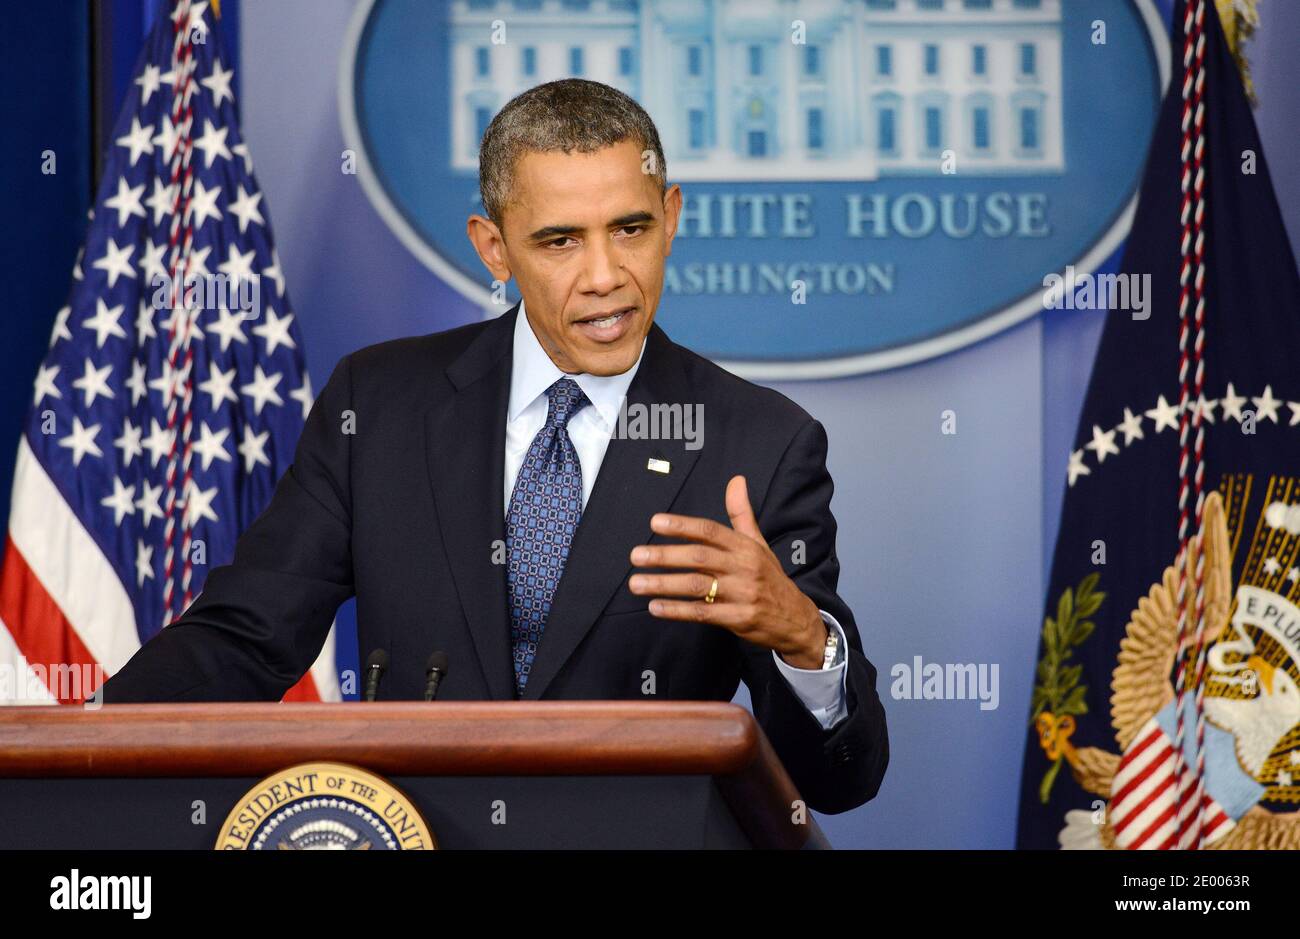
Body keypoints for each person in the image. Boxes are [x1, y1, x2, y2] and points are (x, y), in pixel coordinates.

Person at [101, 78, 888, 814]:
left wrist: (803, 636)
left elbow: (837, 782)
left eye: (631, 228)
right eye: (559, 242)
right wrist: (81, 745)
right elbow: (244, 637)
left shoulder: (760, 442)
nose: (606, 275)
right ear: (493, 248)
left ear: (671, 215)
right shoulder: (377, 406)